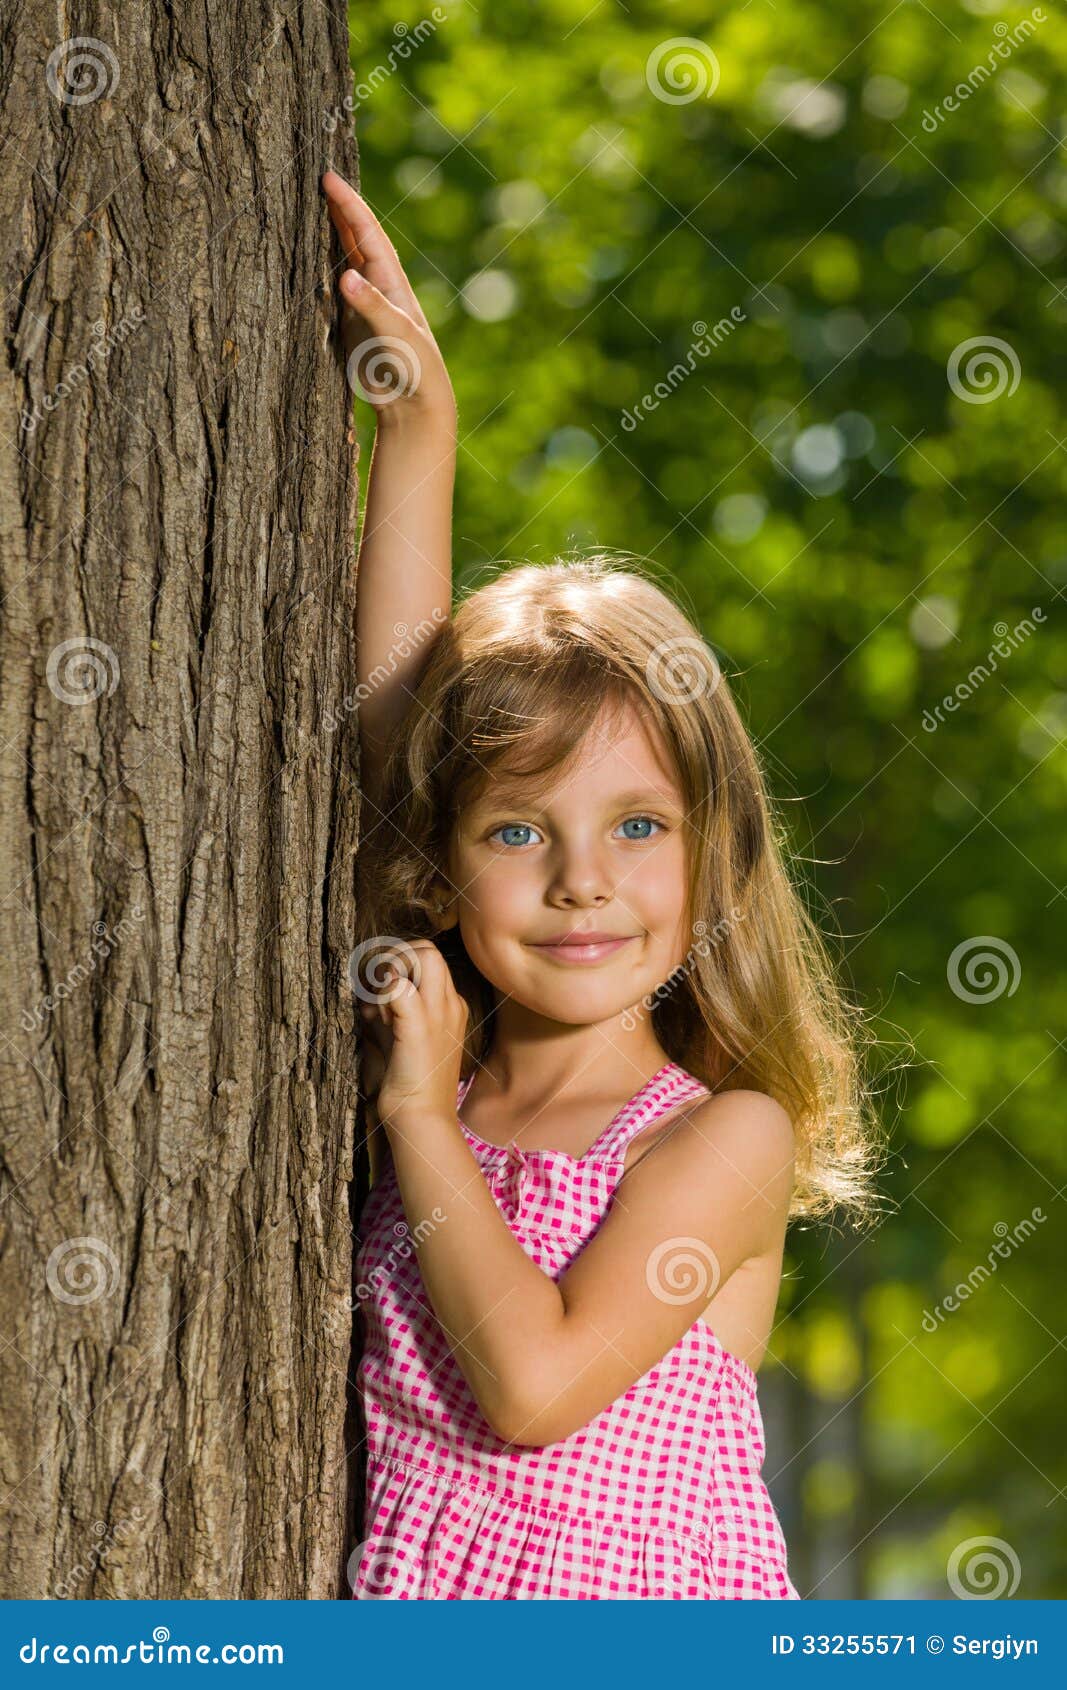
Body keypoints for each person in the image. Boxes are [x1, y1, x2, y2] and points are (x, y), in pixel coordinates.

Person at [322, 170, 883, 1600]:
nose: (581, 881)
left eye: (639, 827)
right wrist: (417, 429)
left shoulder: (718, 1139)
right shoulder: (450, 1054)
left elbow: (534, 1380)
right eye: (518, 834)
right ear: (444, 865)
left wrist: (415, 1119)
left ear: (713, 860)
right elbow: (400, 724)